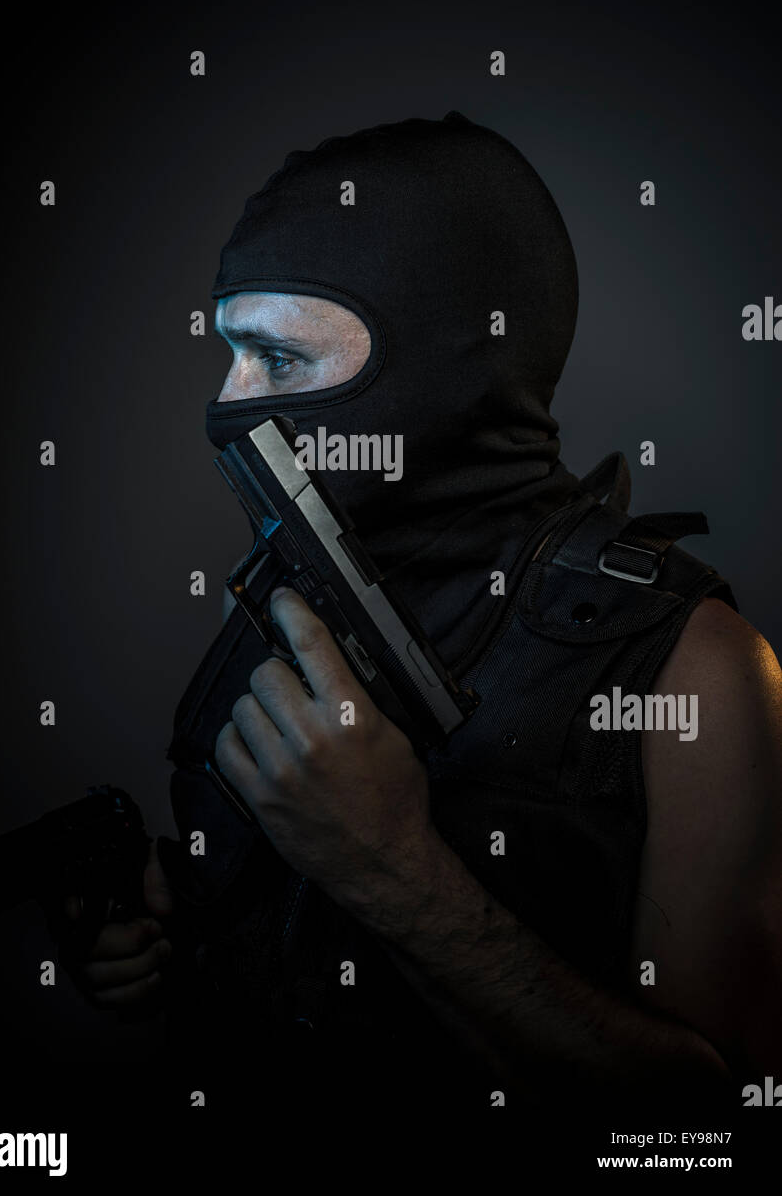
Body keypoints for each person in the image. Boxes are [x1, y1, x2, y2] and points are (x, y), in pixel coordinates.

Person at [62, 112, 782, 1118]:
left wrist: (388, 867)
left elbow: (716, 1126)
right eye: (229, 353)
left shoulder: (690, 667)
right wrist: (170, 933)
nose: (227, 405)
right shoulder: (290, 584)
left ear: (443, 366)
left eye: (279, 360)